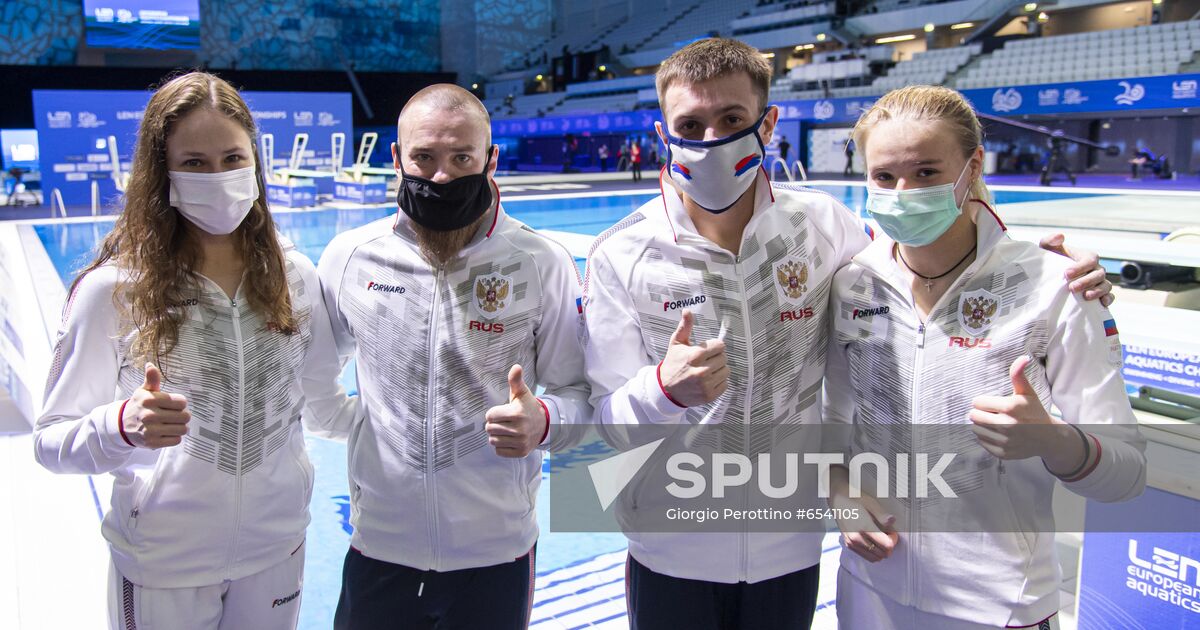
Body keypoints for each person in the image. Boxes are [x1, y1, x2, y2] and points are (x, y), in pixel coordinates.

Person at [581, 39, 1113, 630]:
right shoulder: (620, 254)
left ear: (768, 121)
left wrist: (1044, 261)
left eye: (732, 119)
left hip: (792, 549)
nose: (711, 140)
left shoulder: (823, 224)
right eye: (691, 124)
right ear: (663, 133)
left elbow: (923, 253)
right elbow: (607, 422)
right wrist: (663, 390)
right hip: (669, 546)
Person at [34, 72, 357, 630]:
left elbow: (326, 409)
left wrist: (424, 415)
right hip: (164, 563)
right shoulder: (114, 291)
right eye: (196, 163)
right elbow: (50, 439)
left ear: (254, 161)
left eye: (233, 158)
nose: (220, 176)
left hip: (277, 550)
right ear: (163, 174)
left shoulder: (295, 278)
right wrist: (120, 427)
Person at [824, 85, 1145, 630]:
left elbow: (1126, 475)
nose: (904, 192)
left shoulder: (1054, 286)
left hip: (999, 605)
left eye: (926, 172)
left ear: (972, 166)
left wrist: (1054, 441)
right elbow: (833, 423)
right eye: (885, 177)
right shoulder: (853, 283)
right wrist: (839, 493)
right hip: (869, 589)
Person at [318, 84, 590, 630]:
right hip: (381, 547)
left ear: (491, 159)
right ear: (396, 159)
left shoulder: (541, 262)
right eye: (424, 157)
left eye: (461, 157)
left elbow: (578, 398)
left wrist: (544, 421)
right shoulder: (351, 257)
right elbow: (312, 386)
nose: (442, 176)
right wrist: (365, 425)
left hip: (497, 553)